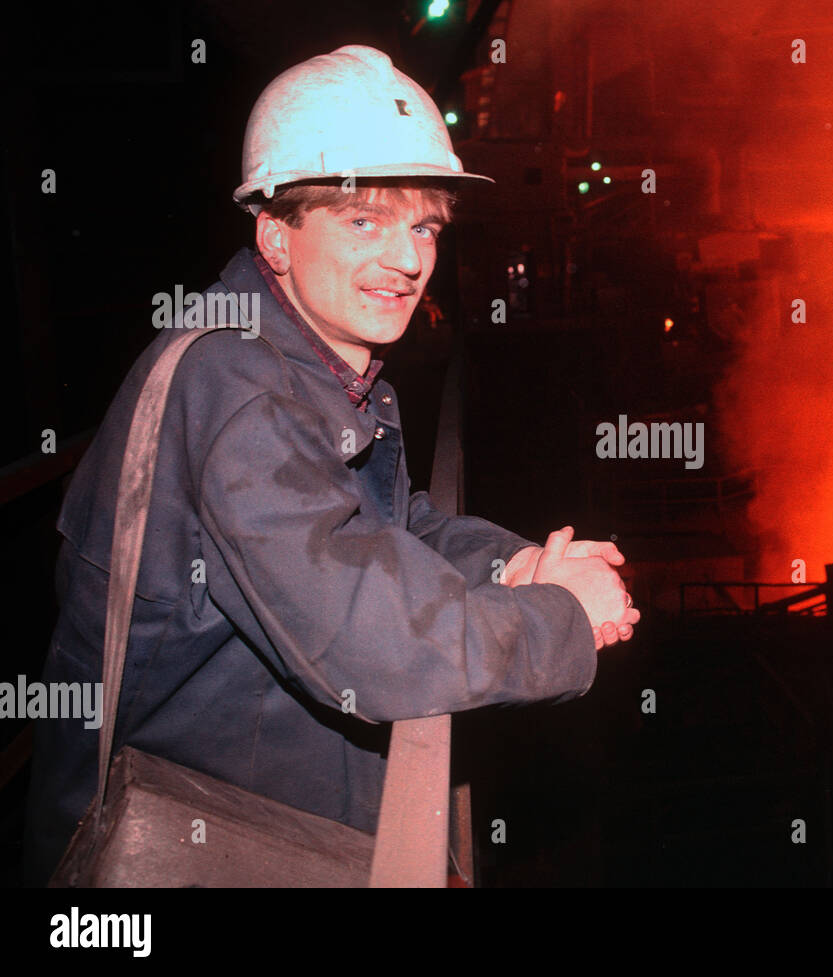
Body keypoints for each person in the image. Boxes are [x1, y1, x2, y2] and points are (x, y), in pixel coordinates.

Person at [22, 45, 638, 884]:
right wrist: (561, 618)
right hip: (175, 846)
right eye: (364, 222)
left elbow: (391, 526)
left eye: (422, 225)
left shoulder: (313, 358)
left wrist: (517, 562)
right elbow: (371, 645)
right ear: (275, 235)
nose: (409, 259)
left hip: (262, 808)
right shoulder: (242, 394)